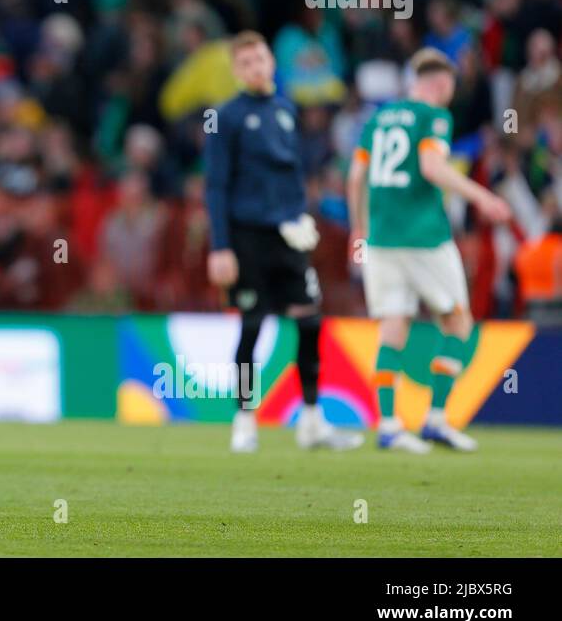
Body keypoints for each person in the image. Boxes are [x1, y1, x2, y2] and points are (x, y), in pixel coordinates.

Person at [347, 48, 513, 452]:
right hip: (425, 239)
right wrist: (482, 197)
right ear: (441, 84)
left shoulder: (379, 118)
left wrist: (359, 228)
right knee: (458, 324)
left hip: (382, 240)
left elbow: (355, 177)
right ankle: (436, 419)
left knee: (392, 329)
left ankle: (388, 426)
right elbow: (432, 169)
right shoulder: (435, 117)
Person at [205, 31, 363, 453]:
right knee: (252, 324)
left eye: (261, 60)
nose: (256, 68)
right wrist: (220, 247)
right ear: (238, 71)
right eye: (247, 63)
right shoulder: (226, 117)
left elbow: (292, 173)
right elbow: (216, 185)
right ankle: (243, 419)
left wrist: (300, 216)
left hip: (288, 236)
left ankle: (311, 419)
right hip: (247, 237)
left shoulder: (284, 110)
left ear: (272, 63)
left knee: (310, 320)